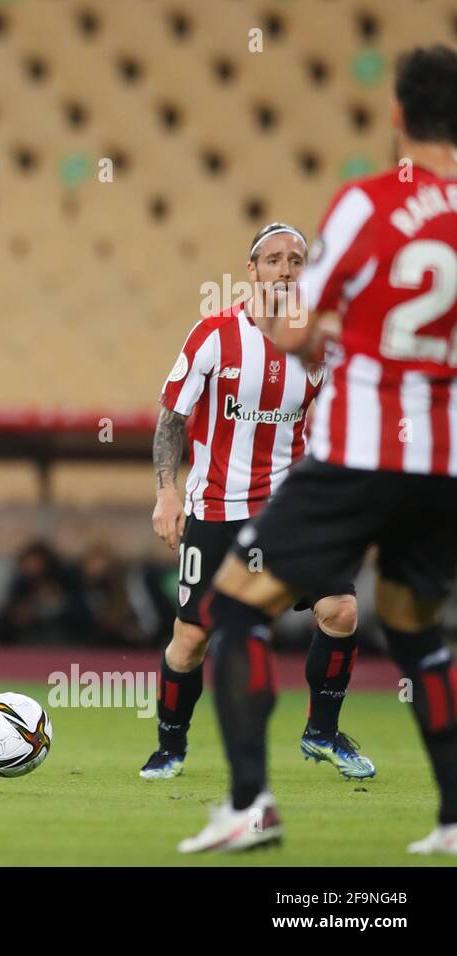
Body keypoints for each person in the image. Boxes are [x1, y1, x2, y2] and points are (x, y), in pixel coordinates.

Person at [179, 46, 457, 854]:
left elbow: (297, 328)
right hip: (441, 464)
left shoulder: (366, 205)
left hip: (359, 456)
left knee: (233, 609)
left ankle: (248, 804)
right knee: (416, 630)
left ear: (398, 117)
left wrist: (326, 328)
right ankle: (450, 819)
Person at [143, 222, 370, 781]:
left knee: (340, 610)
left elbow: (344, 418)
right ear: (251, 271)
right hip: (217, 509)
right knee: (191, 641)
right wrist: (167, 491)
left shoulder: (319, 345)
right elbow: (172, 417)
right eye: (273, 260)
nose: (286, 270)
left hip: (287, 511)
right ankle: (170, 747)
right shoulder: (213, 335)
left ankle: (322, 732)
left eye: (297, 260)